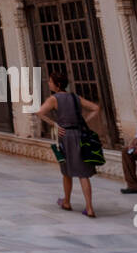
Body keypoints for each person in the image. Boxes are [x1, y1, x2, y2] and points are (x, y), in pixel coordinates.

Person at [36, 69, 102, 218]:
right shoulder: (75, 97)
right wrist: (84, 121)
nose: (49, 83)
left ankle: (67, 201)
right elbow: (96, 108)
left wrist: (55, 125)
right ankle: (89, 207)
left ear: (57, 84)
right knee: (83, 173)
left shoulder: (54, 99)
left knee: (67, 170)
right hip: (80, 133)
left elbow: (40, 112)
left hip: (65, 135)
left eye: (51, 81)